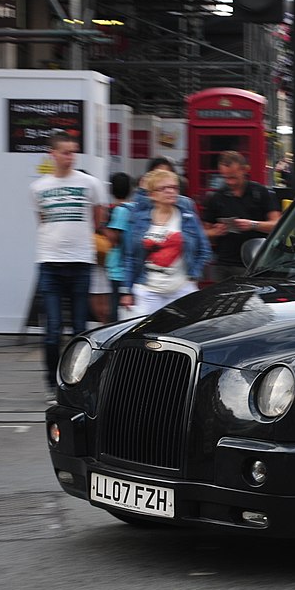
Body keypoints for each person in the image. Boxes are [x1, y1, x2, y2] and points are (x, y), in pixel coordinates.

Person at [32, 132, 107, 401]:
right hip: (49, 262)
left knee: (79, 328)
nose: (69, 157)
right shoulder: (39, 187)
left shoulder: (90, 184)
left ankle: (79, 383)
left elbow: (98, 218)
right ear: (52, 153)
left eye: (73, 152)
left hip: (80, 262)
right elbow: (41, 219)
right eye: (64, 152)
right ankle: (51, 382)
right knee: (51, 330)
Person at [121, 168, 211, 316]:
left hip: (181, 289)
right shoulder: (139, 219)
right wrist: (126, 291)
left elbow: (204, 250)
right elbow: (130, 256)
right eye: (164, 188)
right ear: (152, 195)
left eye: (174, 187)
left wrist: (192, 274)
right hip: (147, 291)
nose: (171, 191)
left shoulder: (188, 218)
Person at [201, 150, 281, 281]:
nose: (230, 182)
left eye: (233, 177)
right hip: (223, 264)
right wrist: (216, 232)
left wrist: (253, 225)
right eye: (225, 177)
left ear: (244, 170)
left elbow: (277, 225)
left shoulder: (261, 193)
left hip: (255, 262)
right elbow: (204, 233)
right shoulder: (216, 197)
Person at [102, 171, 134, 322]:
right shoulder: (133, 208)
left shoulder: (120, 211)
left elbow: (115, 238)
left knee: (116, 313)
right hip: (128, 268)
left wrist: (102, 226)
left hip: (118, 268)